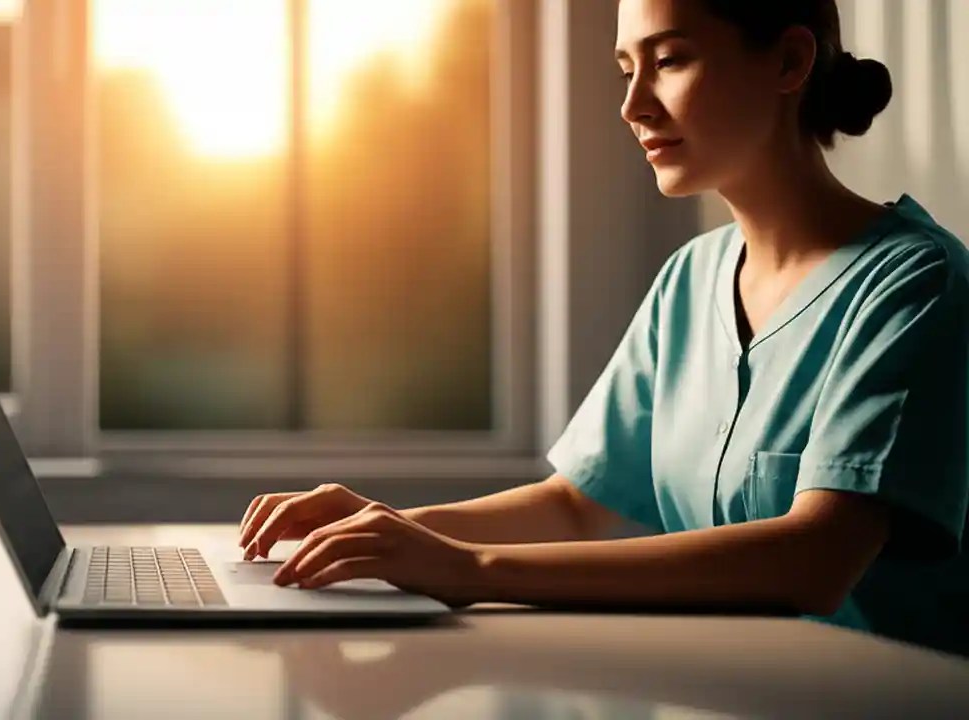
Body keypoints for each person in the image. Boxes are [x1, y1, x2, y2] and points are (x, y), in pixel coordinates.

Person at [237, 0, 969, 656]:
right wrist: (384, 527)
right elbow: (576, 505)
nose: (632, 105)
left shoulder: (915, 282)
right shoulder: (692, 277)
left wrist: (467, 568)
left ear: (789, 61)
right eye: (626, 69)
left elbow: (815, 560)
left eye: (669, 60)